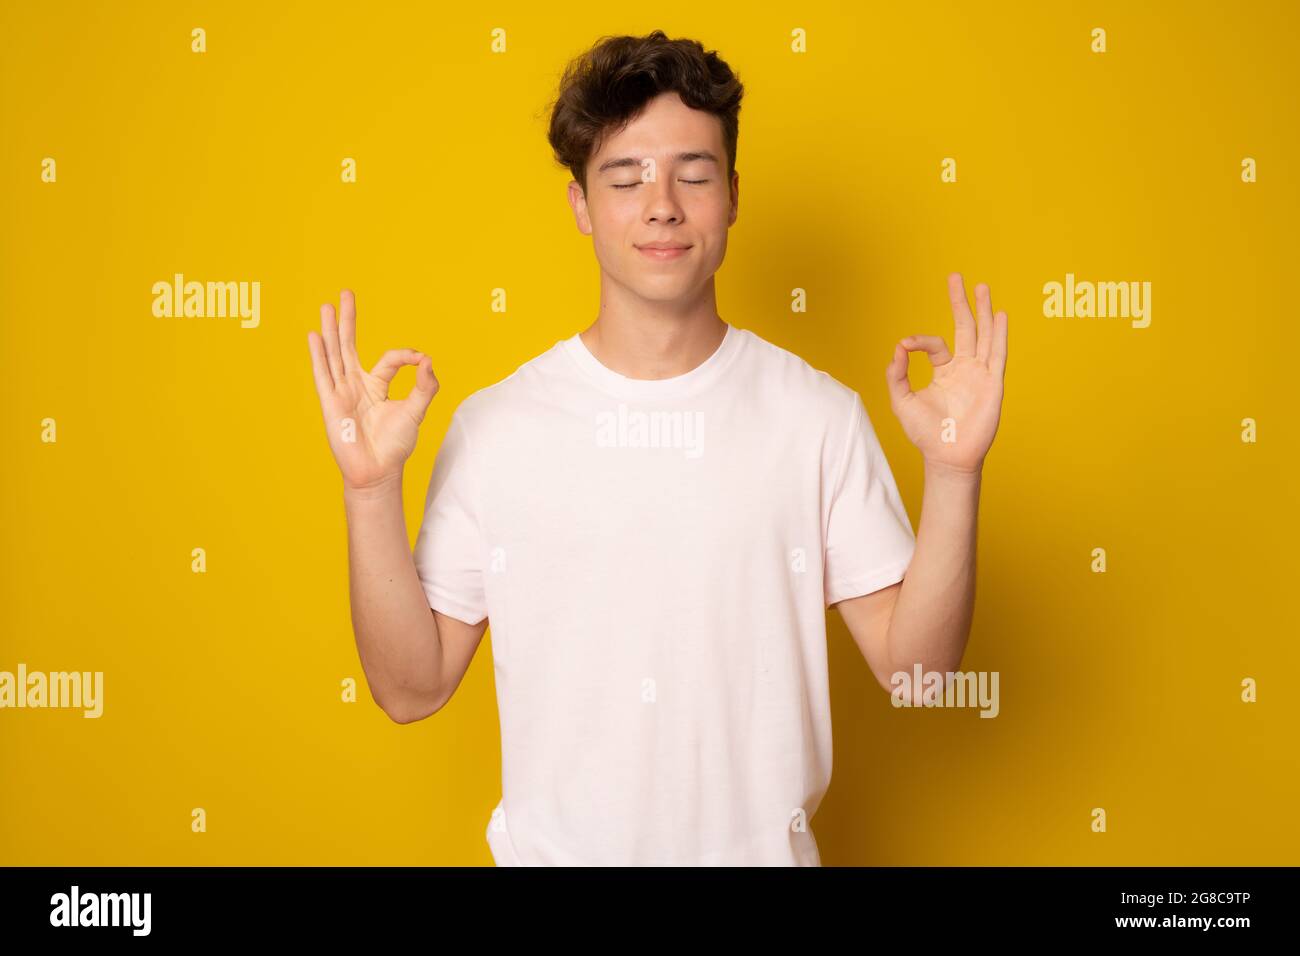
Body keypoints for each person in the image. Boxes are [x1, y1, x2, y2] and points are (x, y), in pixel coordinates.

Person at [306, 30, 1008, 866]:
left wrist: (955, 473)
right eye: (626, 176)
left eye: (694, 174)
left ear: (734, 195)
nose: (662, 203)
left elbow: (918, 674)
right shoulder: (497, 429)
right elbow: (409, 689)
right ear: (580, 206)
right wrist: (370, 492)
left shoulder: (817, 417)